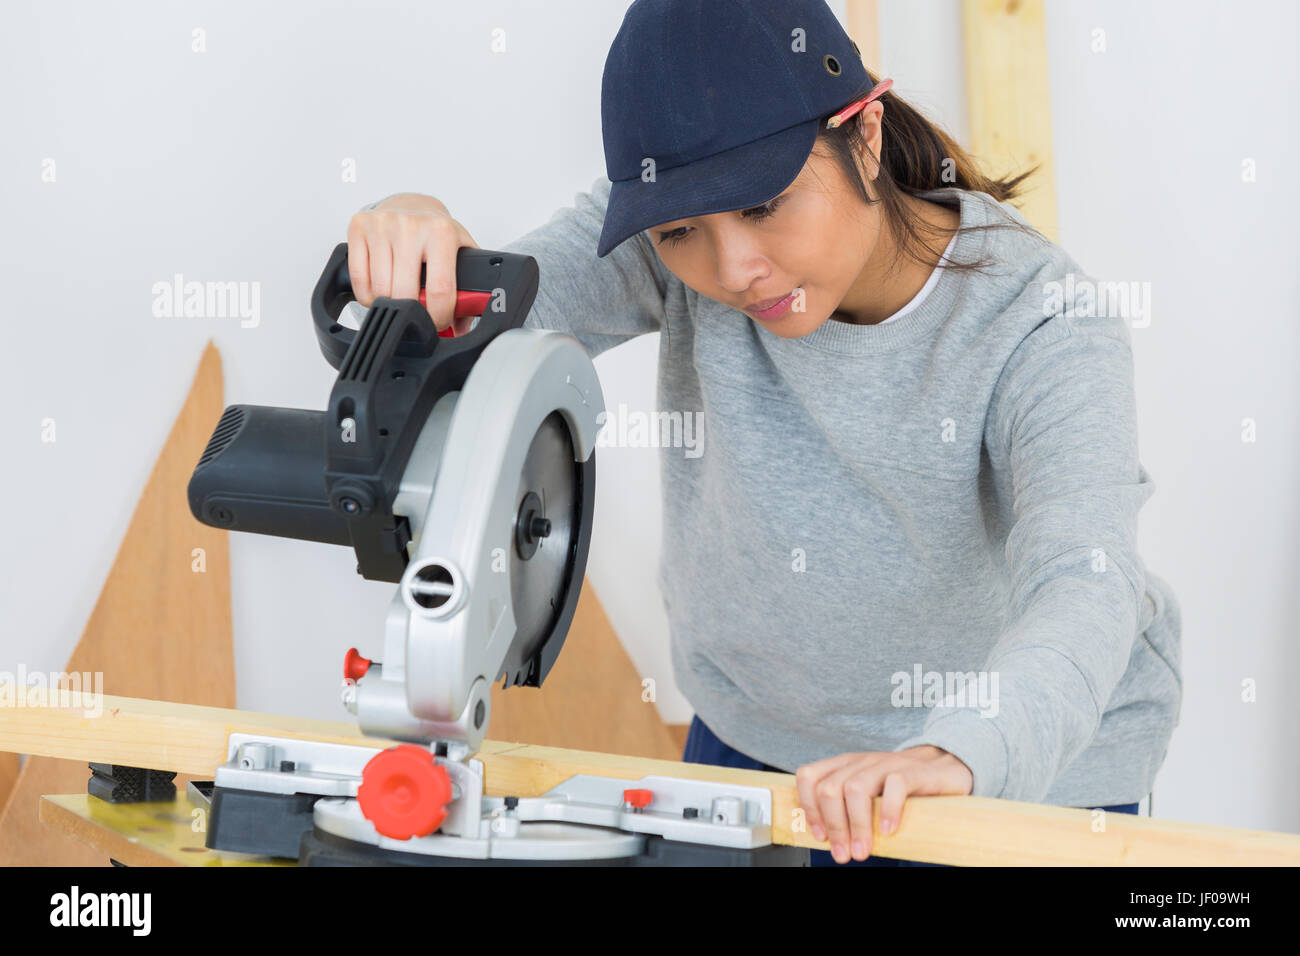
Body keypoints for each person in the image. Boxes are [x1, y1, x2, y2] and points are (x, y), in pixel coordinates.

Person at [345, 0, 1183, 867]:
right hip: (757, 736)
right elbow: (466, 337)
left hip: (1013, 767)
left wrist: (957, 754)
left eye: (766, 203)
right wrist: (413, 241)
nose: (735, 269)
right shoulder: (669, 239)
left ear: (863, 137)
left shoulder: (1044, 323)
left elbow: (1084, 583)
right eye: (680, 231)